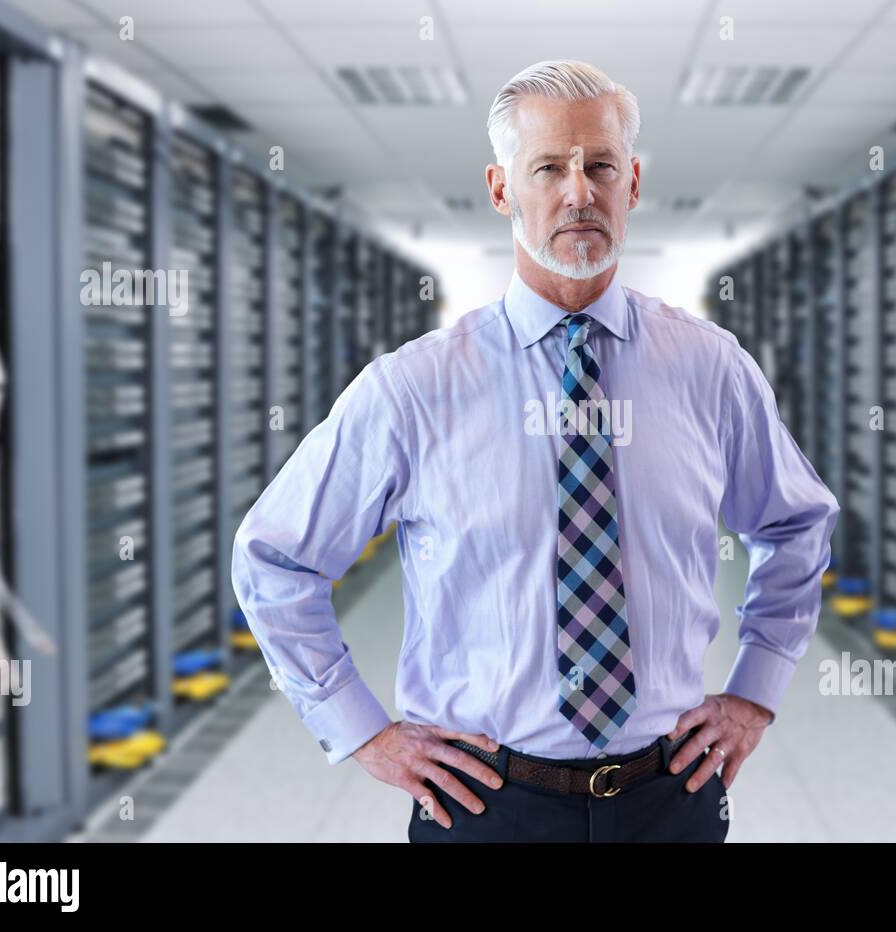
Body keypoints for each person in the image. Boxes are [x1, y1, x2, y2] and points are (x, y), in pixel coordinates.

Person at [231, 59, 839, 843]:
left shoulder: (710, 368)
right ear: (500, 189)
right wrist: (363, 732)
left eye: (601, 166)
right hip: (484, 806)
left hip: (671, 800)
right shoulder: (411, 390)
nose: (579, 191)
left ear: (633, 184)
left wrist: (756, 691)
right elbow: (274, 558)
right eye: (548, 167)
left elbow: (797, 524)